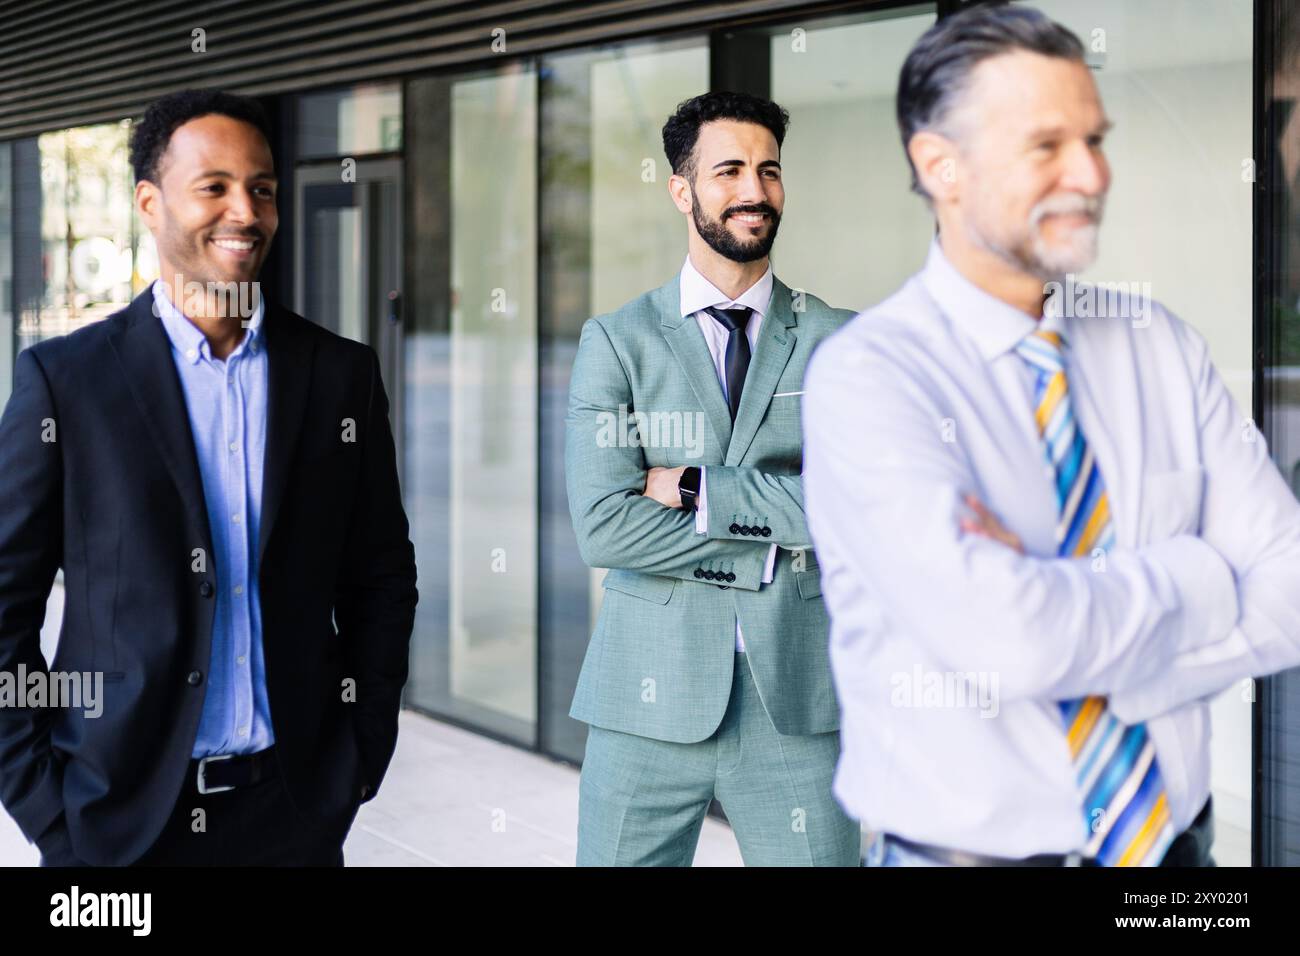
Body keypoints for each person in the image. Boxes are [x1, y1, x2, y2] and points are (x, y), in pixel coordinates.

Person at [803, 4, 1300, 867]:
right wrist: (1199, 572)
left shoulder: (1162, 346)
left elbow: (1291, 588)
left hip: (1180, 861)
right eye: (1047, 145)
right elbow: (1010, 640)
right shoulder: (871, 377)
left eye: (1095, 139)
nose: (1092, 174)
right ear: (940, 166)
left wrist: (1112, 648)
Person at [0, 89, 418, 865]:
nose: (246, 211)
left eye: (262, 188)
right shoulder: (67, 383)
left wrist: (361, 751)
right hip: (117, 824)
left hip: (293, 812)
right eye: (214, 187)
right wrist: (49, 813)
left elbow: (381, 578)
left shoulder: (339, 375)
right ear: (150, 204)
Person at [564, 91, 861, 866]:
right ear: (682, 189)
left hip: (798, 702)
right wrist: (774, 536)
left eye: (769, 170)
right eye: (728, 170)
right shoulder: (618, 342)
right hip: (644, 698)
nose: (754, 190)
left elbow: (858, 510)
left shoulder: (841, 340)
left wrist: (699, 487)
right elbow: (604, 525)